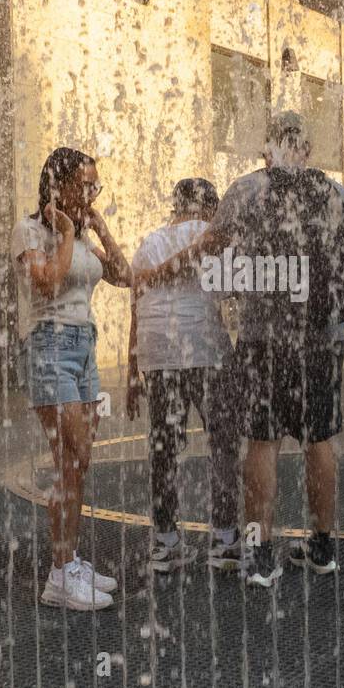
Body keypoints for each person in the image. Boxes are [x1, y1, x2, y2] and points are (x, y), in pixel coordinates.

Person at [136, 112, 344, 589]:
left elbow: (210, 247)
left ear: (268, 149)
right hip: (323, 339)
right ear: (307, 150)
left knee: (263, 440)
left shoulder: (247, 190)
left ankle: (260, 557)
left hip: (264, 338)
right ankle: (323, 548)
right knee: (319, 438)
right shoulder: (338, 195)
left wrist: (155, 273)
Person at [13, 147, 132, 610]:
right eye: (84, 185)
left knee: (76, 463)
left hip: (84, 349)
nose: (91, 193)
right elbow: (47, 282)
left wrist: (98, 227)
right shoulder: (30, 231)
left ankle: (69, 563)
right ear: (56, 186)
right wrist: (64, 232)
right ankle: (59, 576)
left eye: (94, 185)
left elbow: (124, 275)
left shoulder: (81, 236)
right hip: (50, 347)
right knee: (74, 454)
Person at [126, 178, 242, 573]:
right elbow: (235, 291)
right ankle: (225, 539)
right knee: (223, 440)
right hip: (205, 349)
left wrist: (132, 370)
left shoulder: (150, 242)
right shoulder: (214, 236)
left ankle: (165, 542)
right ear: (211, 208)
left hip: (156, 353)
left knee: (164, 447)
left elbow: (135, 307)